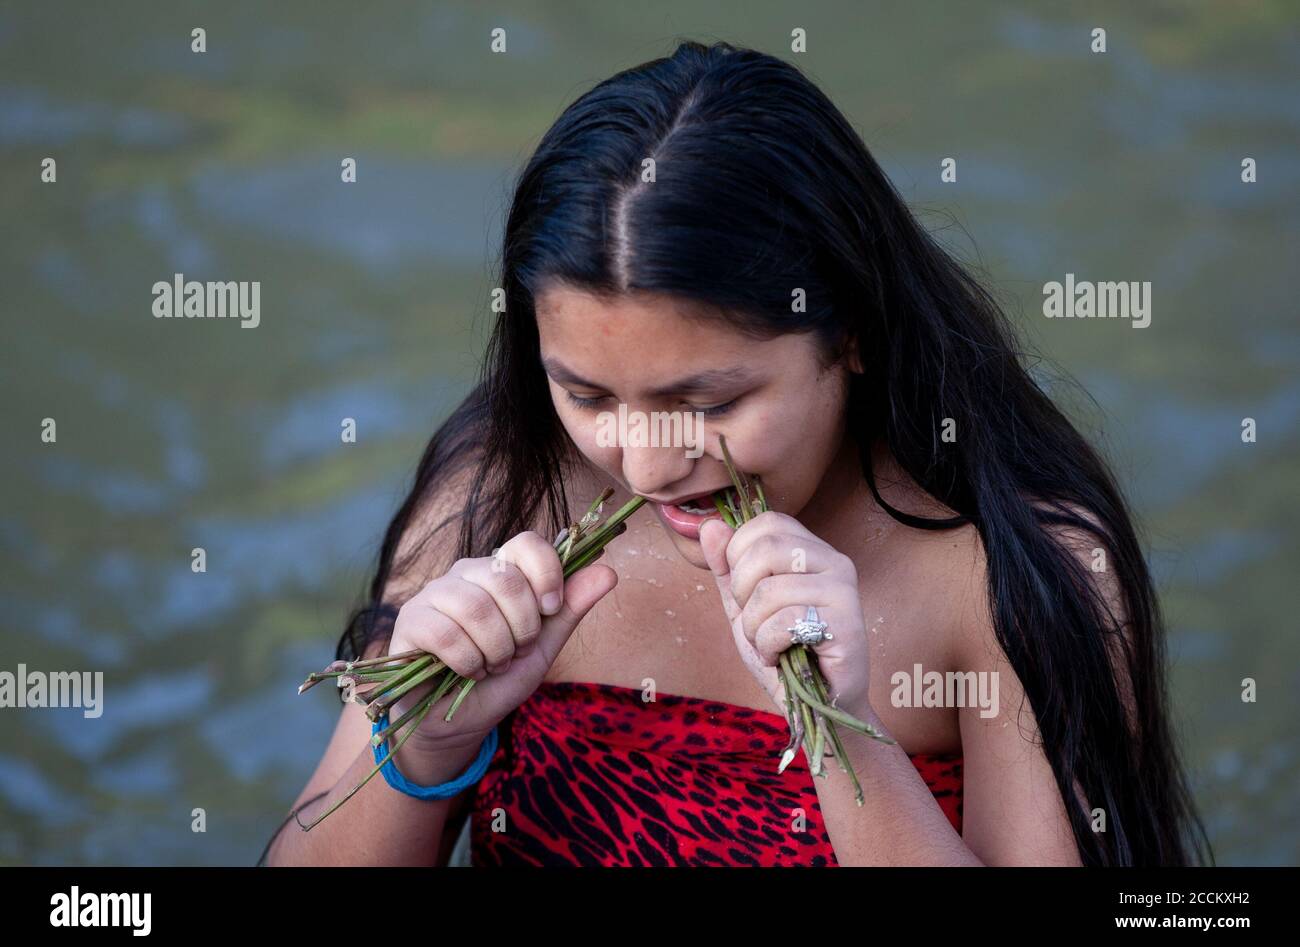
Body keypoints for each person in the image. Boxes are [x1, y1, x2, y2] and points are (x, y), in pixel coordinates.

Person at [262, 39, 1210, 866]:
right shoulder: (498, 490)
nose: (643, 464)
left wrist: (846, 731)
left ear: (851, 334)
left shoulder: (1002, 560)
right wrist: (421, 752)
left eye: (708, 401)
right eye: (588, 394)